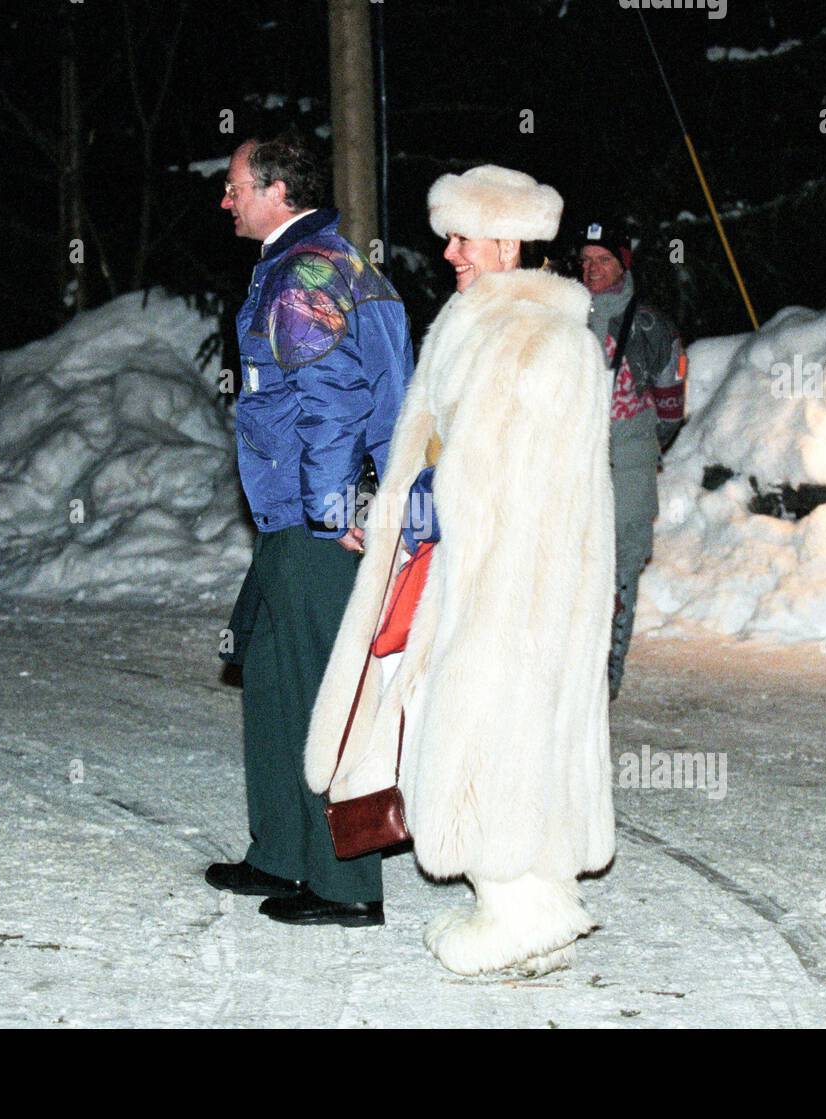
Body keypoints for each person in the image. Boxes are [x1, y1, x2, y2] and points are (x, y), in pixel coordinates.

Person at [304, 165, 616, 975]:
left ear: (509, 241)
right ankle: (531, 902)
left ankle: (518, 904)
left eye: (463, 236)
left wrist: (414, 513)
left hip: (510, 581)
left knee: (492, 730)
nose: (448, 251)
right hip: (469, 567)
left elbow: (500, 479)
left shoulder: (539, 339)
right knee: (499, 729)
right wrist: (396, 515)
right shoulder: (481, 323)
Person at [207, 133, 414, 928]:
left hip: (318, 521)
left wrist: (332, 509)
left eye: (235, 186)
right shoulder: (310, 264)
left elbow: (331, 404)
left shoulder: (306, 275)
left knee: (332, 699)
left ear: (278, 190)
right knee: (272, 674)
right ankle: (283, 852)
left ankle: (347, 884)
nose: (225, 199)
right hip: (294, 515)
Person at [574, 220, 687, 700]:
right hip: (571, 465)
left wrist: (635, 443)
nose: (592, 269)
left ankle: (607, 678)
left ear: (623, 263)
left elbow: (671, 407)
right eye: (585, 260)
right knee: (572, 570)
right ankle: (571, 678)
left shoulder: (651, 326)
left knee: (620, 569)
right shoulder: (563, 318)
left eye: (602, 259)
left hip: (630, 464)